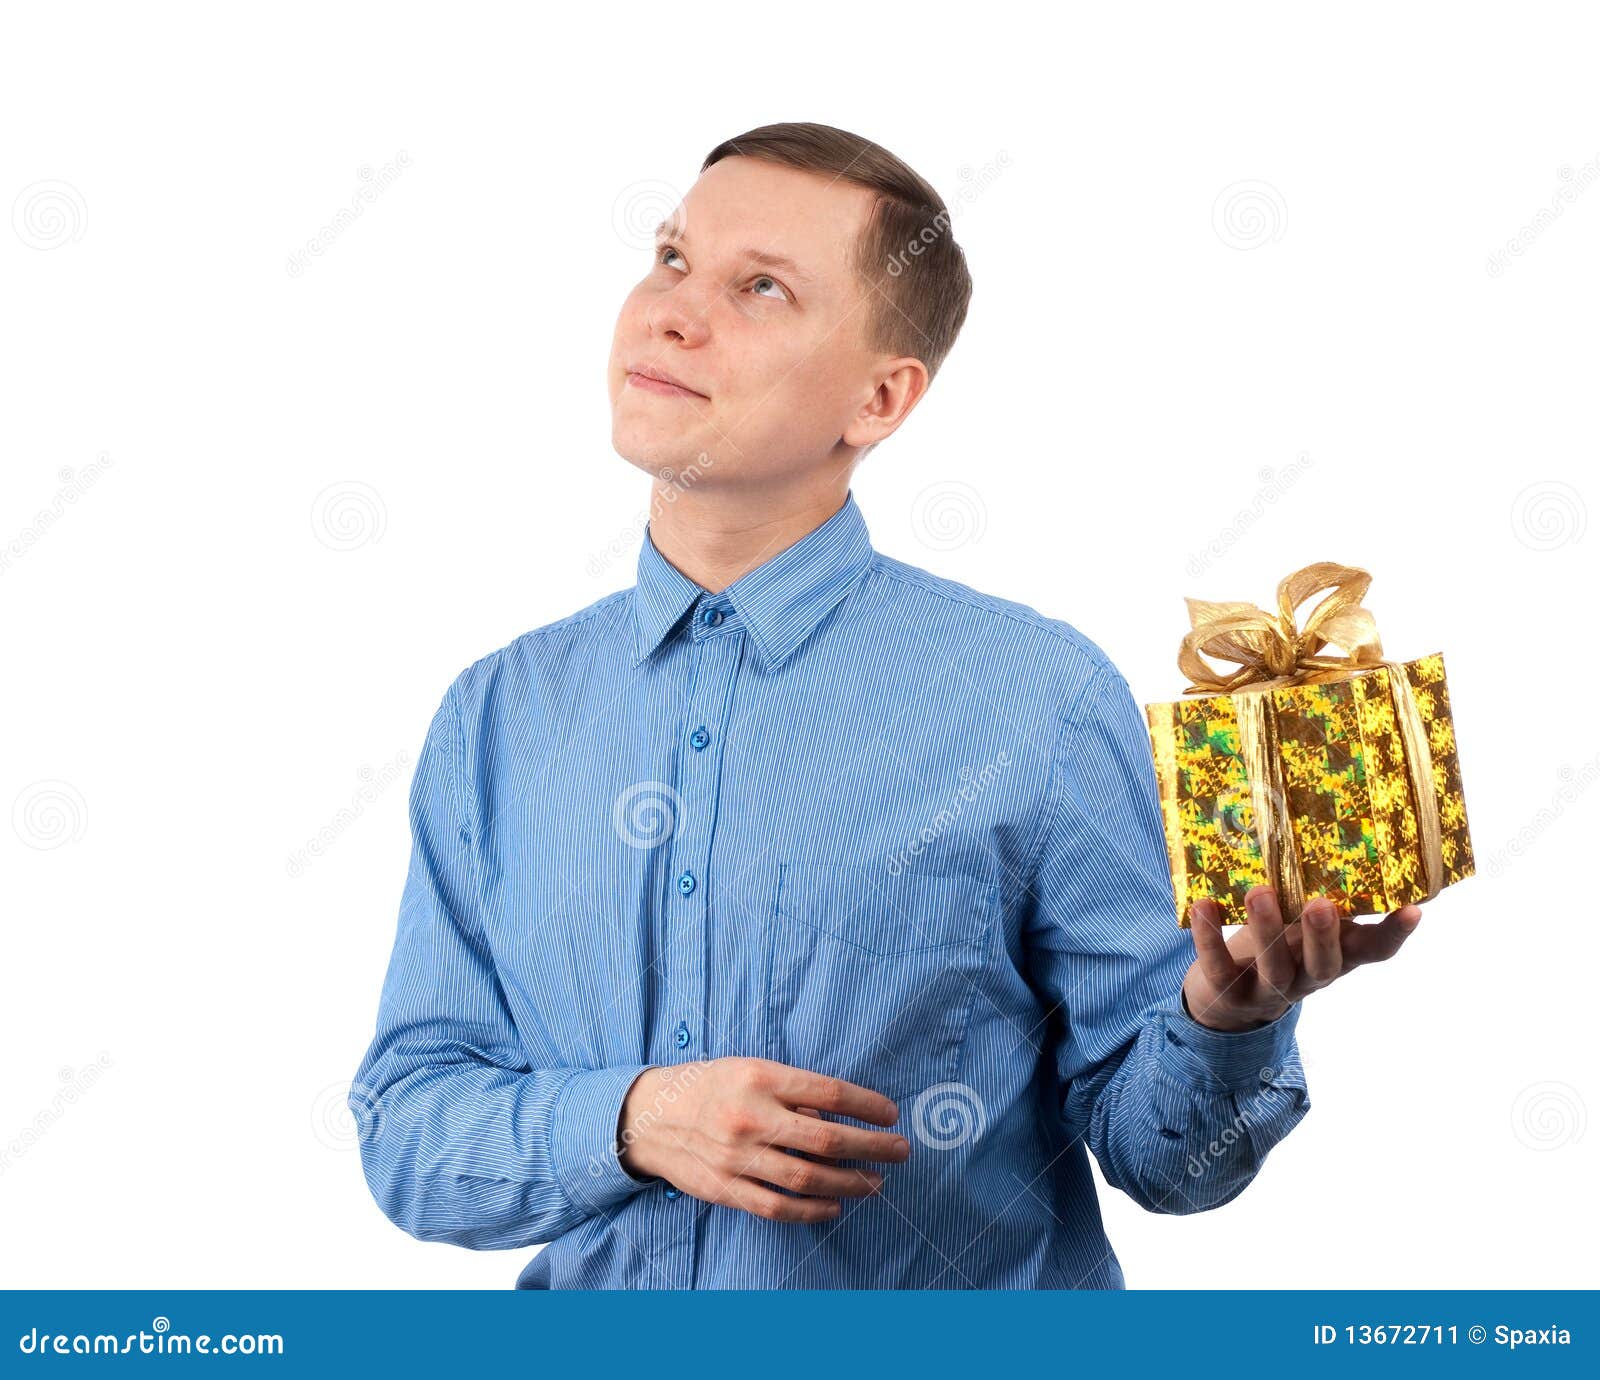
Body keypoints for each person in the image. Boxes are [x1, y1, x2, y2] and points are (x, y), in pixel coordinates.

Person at [348, 121, 1423, 1289]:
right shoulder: (497, 715)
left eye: (759, 287)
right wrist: (634, 1119)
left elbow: (1175, 1167)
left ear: (878, 399)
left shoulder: (1039, 699)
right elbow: (408, 1133)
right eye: (669, 258)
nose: (670, 311)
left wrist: (1226, 1019)